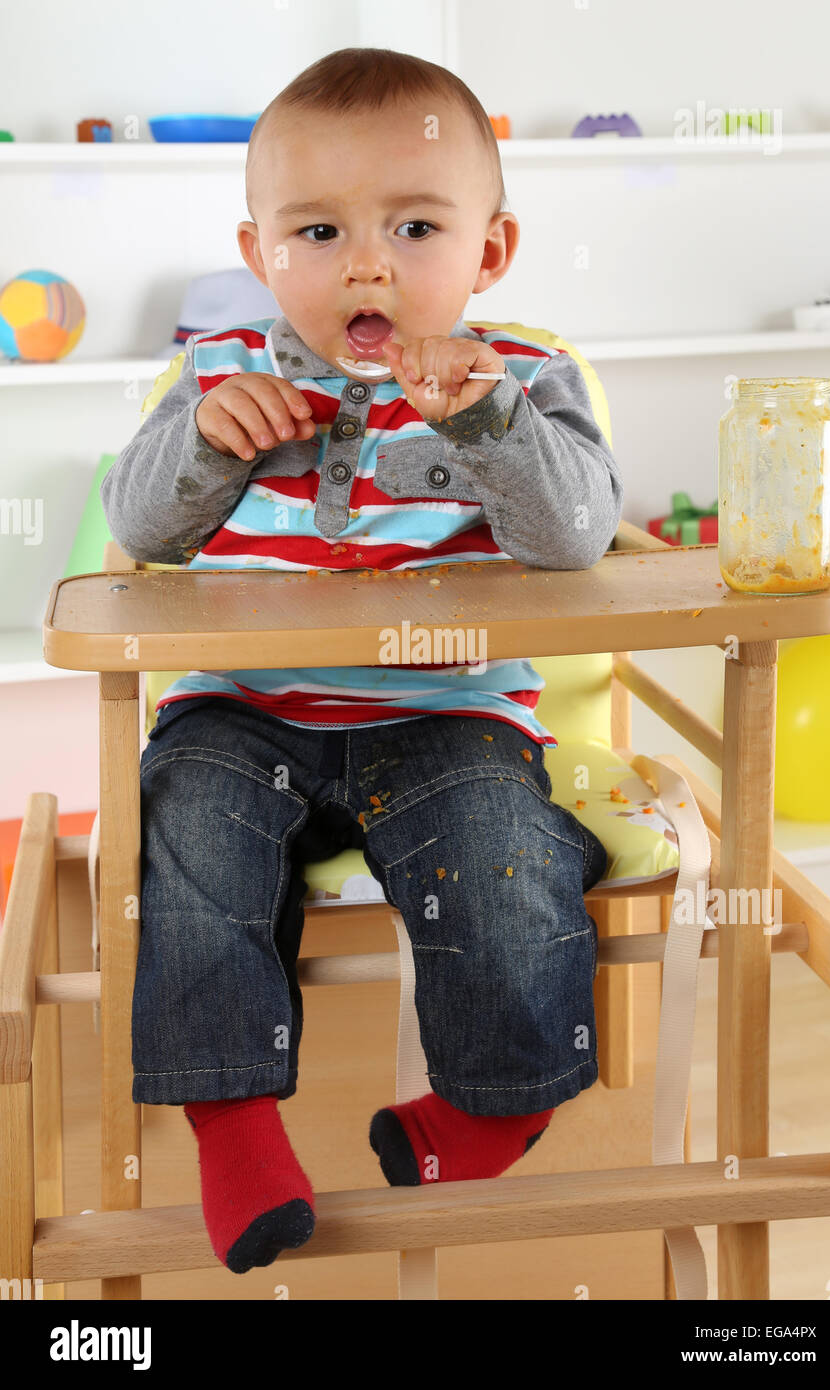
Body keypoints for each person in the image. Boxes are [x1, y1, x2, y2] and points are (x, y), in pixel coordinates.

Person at [101, 46, 624, 1275]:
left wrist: (489, 423)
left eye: (415, 227)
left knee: (499, 853)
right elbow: (139, 529)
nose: (367, 264)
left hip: (448, 709)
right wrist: (206, 443)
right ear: (260, 253)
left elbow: (574, 536)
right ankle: (233, 1128)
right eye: (320, 231)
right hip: (242, 711)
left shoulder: (520, 379)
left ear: (490, 250)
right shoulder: (215, 373)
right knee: (187, 831)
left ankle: (497, 1108)